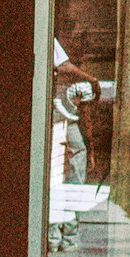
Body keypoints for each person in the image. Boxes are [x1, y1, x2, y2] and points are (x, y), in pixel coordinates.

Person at [53, 37, 101, 185]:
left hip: (62, 119)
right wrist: (92, 80)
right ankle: (75, 186)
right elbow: (86, 123)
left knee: (75, 149)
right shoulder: (83, 84)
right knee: (77, 150)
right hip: (57, 118)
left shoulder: (78, 85)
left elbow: (86, 121)